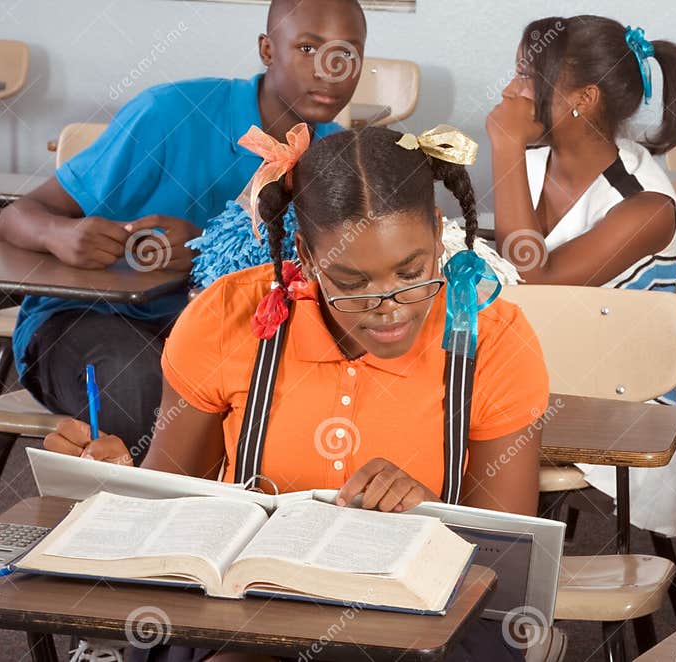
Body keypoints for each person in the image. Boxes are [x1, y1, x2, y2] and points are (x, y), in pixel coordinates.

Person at [44, 125, 551, 661]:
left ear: (438, 230)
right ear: (306, 256)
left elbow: (507, 562)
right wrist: (115, 483)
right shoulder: (229, 316)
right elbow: (172, 497)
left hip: (420, 626)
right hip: (250, 619)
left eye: (413, 271)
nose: (390, 307)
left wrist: (429, 516)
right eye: (352, 283)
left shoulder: (489, 338)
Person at [0, 0, 365, 461]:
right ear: (268, 50)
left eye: (347, 53)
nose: (329, 70)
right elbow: (16, 216)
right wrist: (60, 235)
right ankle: (146, 518)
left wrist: (204, 251)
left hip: (226, 337)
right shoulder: (168, 114)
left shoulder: (338, 157)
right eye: (307, 48)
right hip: (91, 321)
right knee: (142, 384)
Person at [487, 15, 676, 537]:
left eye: (528, 78)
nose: (512, 91)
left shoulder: (646, 203)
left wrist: (504, 148)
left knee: (463, 429)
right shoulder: (535, 167)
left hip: (615, 400)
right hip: (535, 377)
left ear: (583, 98)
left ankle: (498, 582)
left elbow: (532, 277)